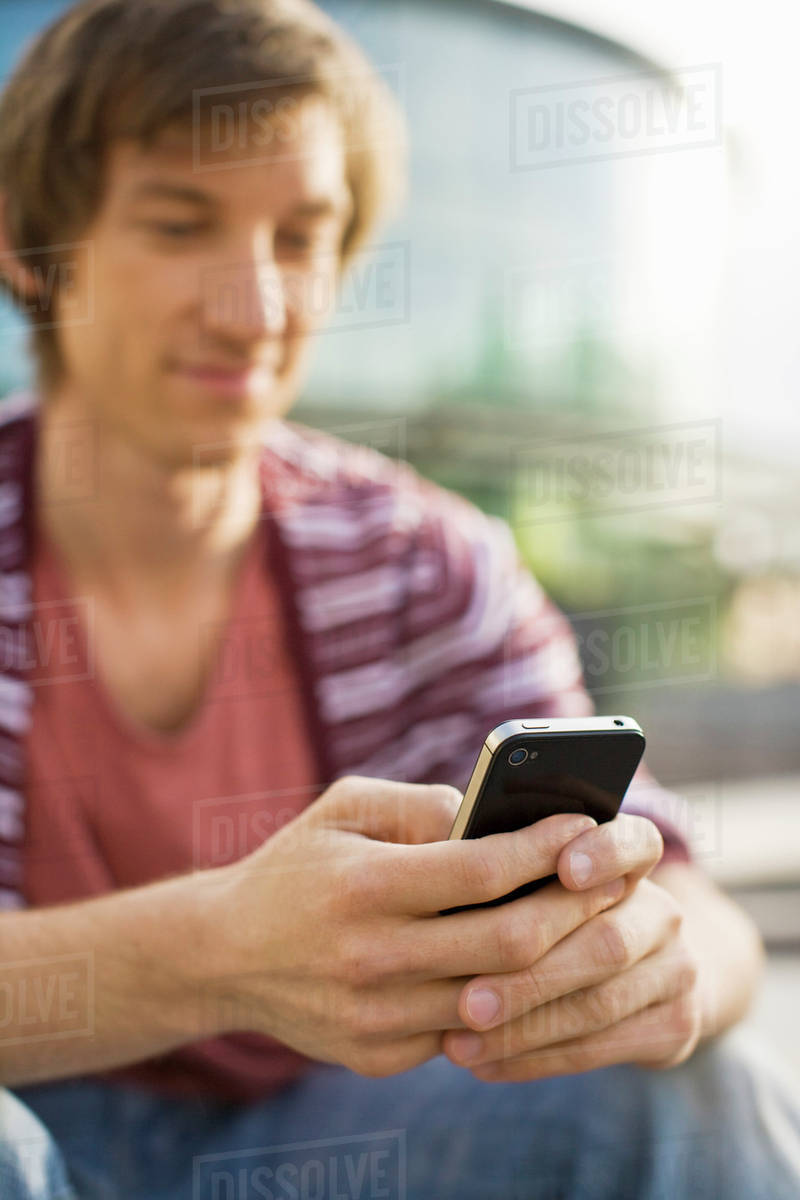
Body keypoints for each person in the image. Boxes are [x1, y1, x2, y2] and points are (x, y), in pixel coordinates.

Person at [0, 1, 798, 1196]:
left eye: (301, 238)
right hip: (30, 1123)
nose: (255, 309)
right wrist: (216, 952)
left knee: (689, 1083)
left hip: (327, 1139)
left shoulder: (426, 562)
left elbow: (688, 900)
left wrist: (664, 967)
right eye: (179, 225)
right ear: (28, 244)